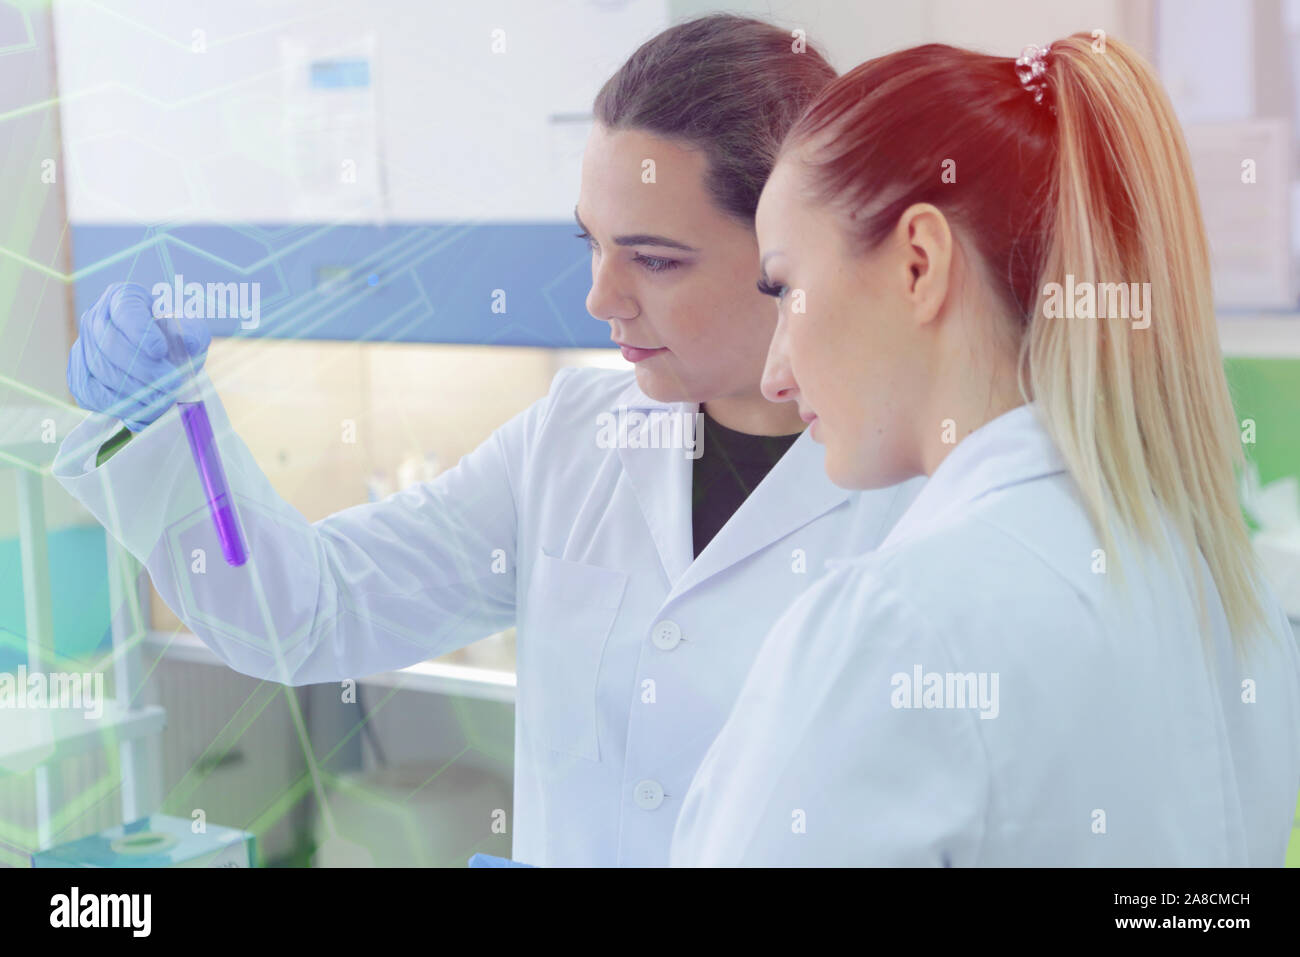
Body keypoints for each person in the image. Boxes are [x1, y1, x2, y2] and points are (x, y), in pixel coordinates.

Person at [53, 15, 921, 867]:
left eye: (654, 259)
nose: (600, 298)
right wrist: (175, 424)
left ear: (789, 247)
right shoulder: (571, 440)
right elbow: (305, 612)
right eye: (592, 243)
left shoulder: (919, 494)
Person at [670, 34, 1300, 866]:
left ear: (919, 264)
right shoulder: (1234, 598)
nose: (776, 373)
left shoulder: (895, 626)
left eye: (786, 289)